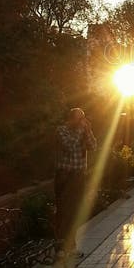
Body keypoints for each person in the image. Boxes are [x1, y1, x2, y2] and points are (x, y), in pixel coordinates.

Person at [54, 107, 97, 257]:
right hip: (65, 176)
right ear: (70, 119)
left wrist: (88, 131)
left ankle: (71, 247)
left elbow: (93, 146)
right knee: (63, 210)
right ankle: (59, 248)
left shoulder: (83, 132)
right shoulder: (61, 130)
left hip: (78, 176)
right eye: (79, 119)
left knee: (74, 212)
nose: (81, 122)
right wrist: (81, 130)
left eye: (83, 118)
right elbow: (70, 146)